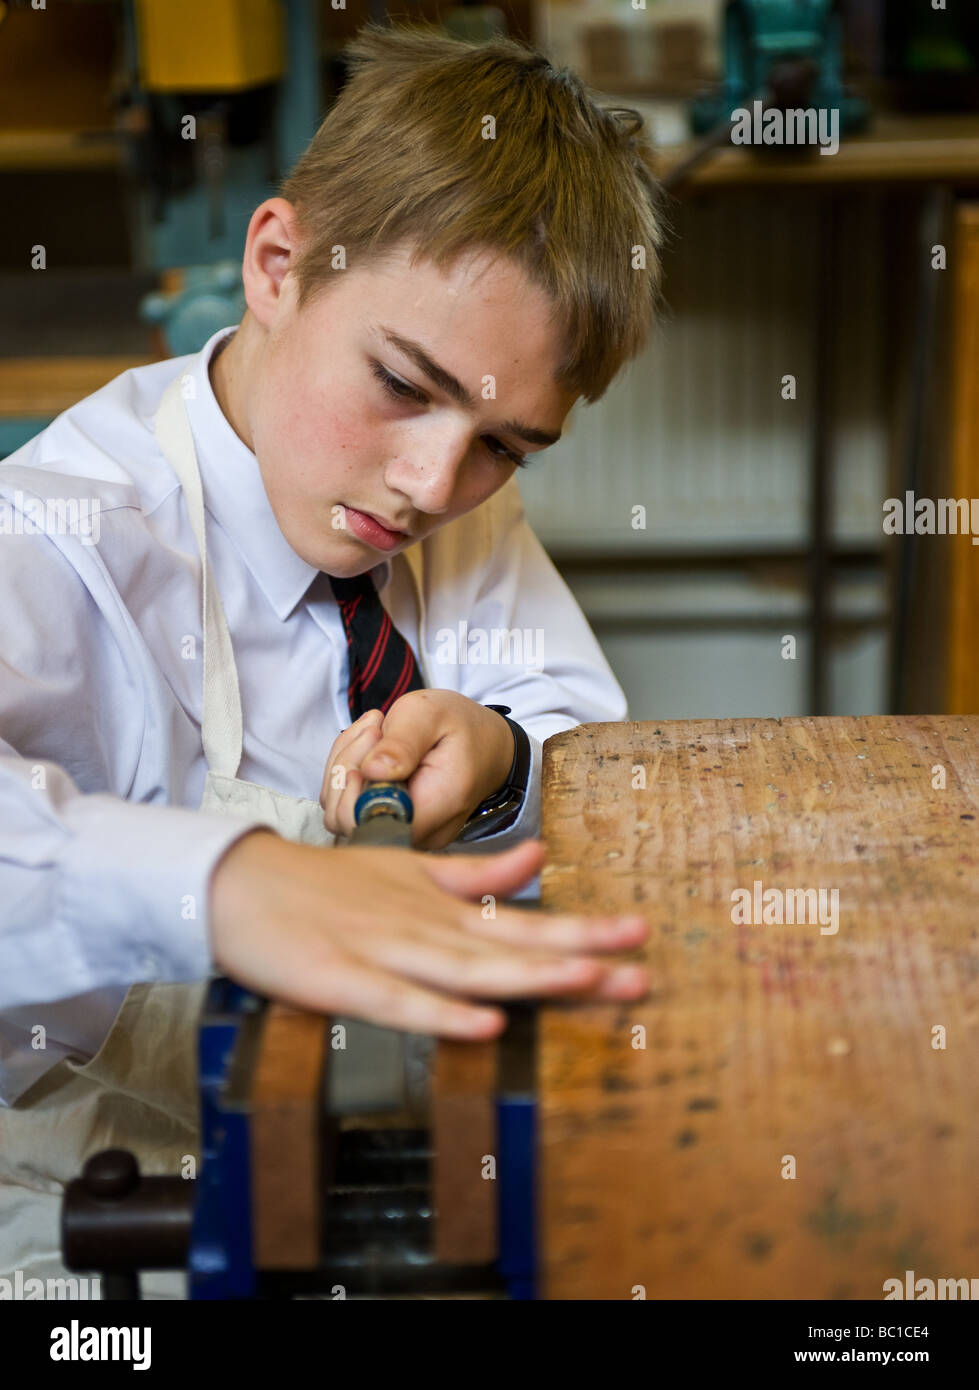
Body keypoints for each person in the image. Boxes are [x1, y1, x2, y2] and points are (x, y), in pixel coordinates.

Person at [0, 22, 666, 1293]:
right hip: (67, 1226)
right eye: (402, 384)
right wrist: (235, 884)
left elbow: (586, 740)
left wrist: (495, 747)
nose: (432, 483)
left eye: (504, 445)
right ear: (277, 264)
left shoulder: (445, 495)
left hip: (339, 1173)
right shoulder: (65, 534)